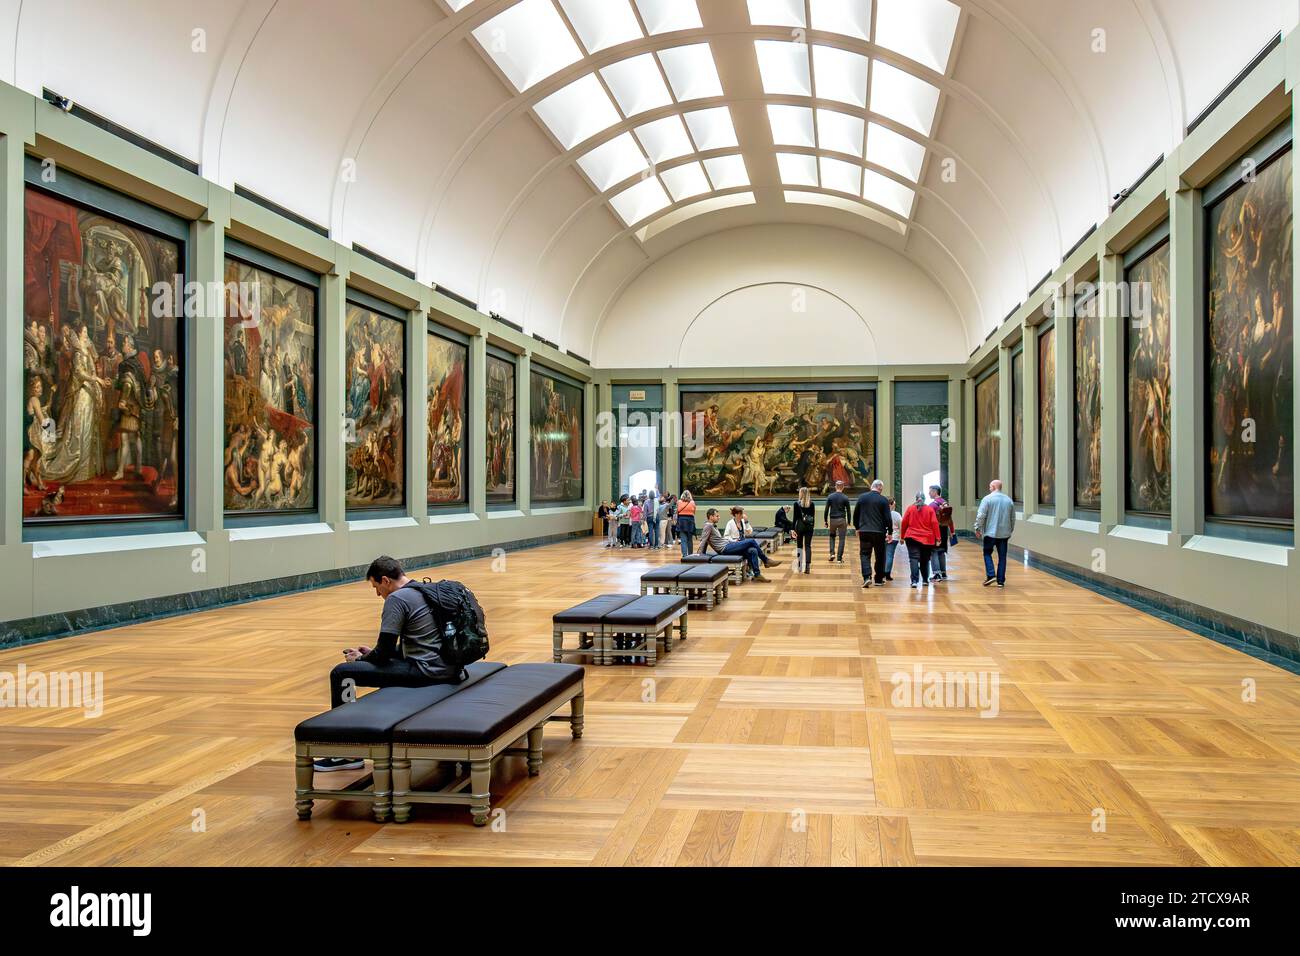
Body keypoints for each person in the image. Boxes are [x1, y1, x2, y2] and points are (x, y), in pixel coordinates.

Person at [318, 556, 462, 771]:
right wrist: (371, 653)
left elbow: (383, 655)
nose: (378, 594)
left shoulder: (397, 599)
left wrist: (360, 658)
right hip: (447, 667)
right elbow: (415, 645)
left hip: (425, 672)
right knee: (364, 666)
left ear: (385, 580)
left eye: (376, 587)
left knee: (342, 673)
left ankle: (345, 753)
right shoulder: (423, 590)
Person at [697, 507, 782, 582]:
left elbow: (749, 531)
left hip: (728, 545)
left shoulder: (712, 525)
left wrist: (746, 522)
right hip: (725, 548)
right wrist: (700, 554)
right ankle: (766, 561)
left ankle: (757, 574)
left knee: (753, 550)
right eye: (717, 516)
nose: (719, 517)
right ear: (711, 517)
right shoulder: (708, 526)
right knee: (751, 541)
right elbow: (703, 540)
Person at [975, 479, 1016, 588]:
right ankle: (1000, 581)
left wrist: (977, 528)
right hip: (1004, 534)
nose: (989, 489)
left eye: (989, 487)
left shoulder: (987, 499)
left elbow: (981, 515)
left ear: (993, 487)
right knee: (1002, 557)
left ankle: (991, 575)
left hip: (990, 533)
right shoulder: (1008, 500)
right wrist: (1010, 529)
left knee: (987, 553)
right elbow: (1013, 518)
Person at [852, 479, 892, 588]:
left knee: (865, 554)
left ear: (872, 486)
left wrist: (857, 528)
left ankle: (866, 577)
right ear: (880, 488)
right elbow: (888, 518)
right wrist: (890, 532)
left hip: (864, 531)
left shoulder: (862, 497)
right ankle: (878, 579)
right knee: (880, 556)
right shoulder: (883, 500)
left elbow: (856, 515)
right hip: (879, 532)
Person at [900, 491, 941, 589]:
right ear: (925, 499)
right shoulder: (930, 510)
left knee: (913, 559)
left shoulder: (910, 509)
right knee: (925, 560)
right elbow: (935, 524)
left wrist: (902, 537)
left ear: (916, 498)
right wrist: (938, 538)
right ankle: (925, 580)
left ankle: (914, 581)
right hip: (927, 539)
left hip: (911, 537)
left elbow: (904, 523)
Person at [928, 484, 956, 582]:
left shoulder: (932, 505)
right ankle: (943, 573)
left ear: (935, 492)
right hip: (944, 530)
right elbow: (950, 519)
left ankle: (936, 574)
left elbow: (929, 520)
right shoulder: (945, 503)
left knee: (933, 551)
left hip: (935, 531)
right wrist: (952, 531)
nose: (929, 493)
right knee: (941, 551)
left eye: (930, 491)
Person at [825, 479, 851, 564]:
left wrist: (825, 521)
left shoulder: (830, 497)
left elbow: (826, 510)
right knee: (842, 539)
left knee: (832, 537)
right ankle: (839, 559)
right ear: (843, 487)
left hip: (833, 520)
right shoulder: (845, 497)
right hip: (842, 520)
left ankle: (832, 554)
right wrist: (849, 521)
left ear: (836, 487)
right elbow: (848, 511)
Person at [793, 487, 817, 575]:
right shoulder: (812, 504)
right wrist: (812, 527)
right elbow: (813, 518)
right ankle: (807, 567)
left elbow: (795, 518)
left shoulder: (796, 504)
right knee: (808, 546)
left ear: (801, 494)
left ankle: (799, 566)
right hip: (809, 527)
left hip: (799, 527)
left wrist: (793, 529)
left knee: (799, 546)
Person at [883, 497, 903, 582]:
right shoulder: (896, 514)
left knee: (882, 556)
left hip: (883, 536)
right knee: (890, 555)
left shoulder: (881, 513)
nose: (895, 505)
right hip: (894, 537)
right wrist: (902, 537)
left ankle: (882, 572)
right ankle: (887, 574)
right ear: (891, 504)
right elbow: (900, 526)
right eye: (894, 503)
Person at [676, 490, 697, 558]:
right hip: (690, 521)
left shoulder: (679, 502)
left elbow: (677, 511)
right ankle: (690, 554)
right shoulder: (692, 502)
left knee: (683, 539)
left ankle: (684, 555)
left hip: (681, 521)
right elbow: (694, 512)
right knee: (689, 539)